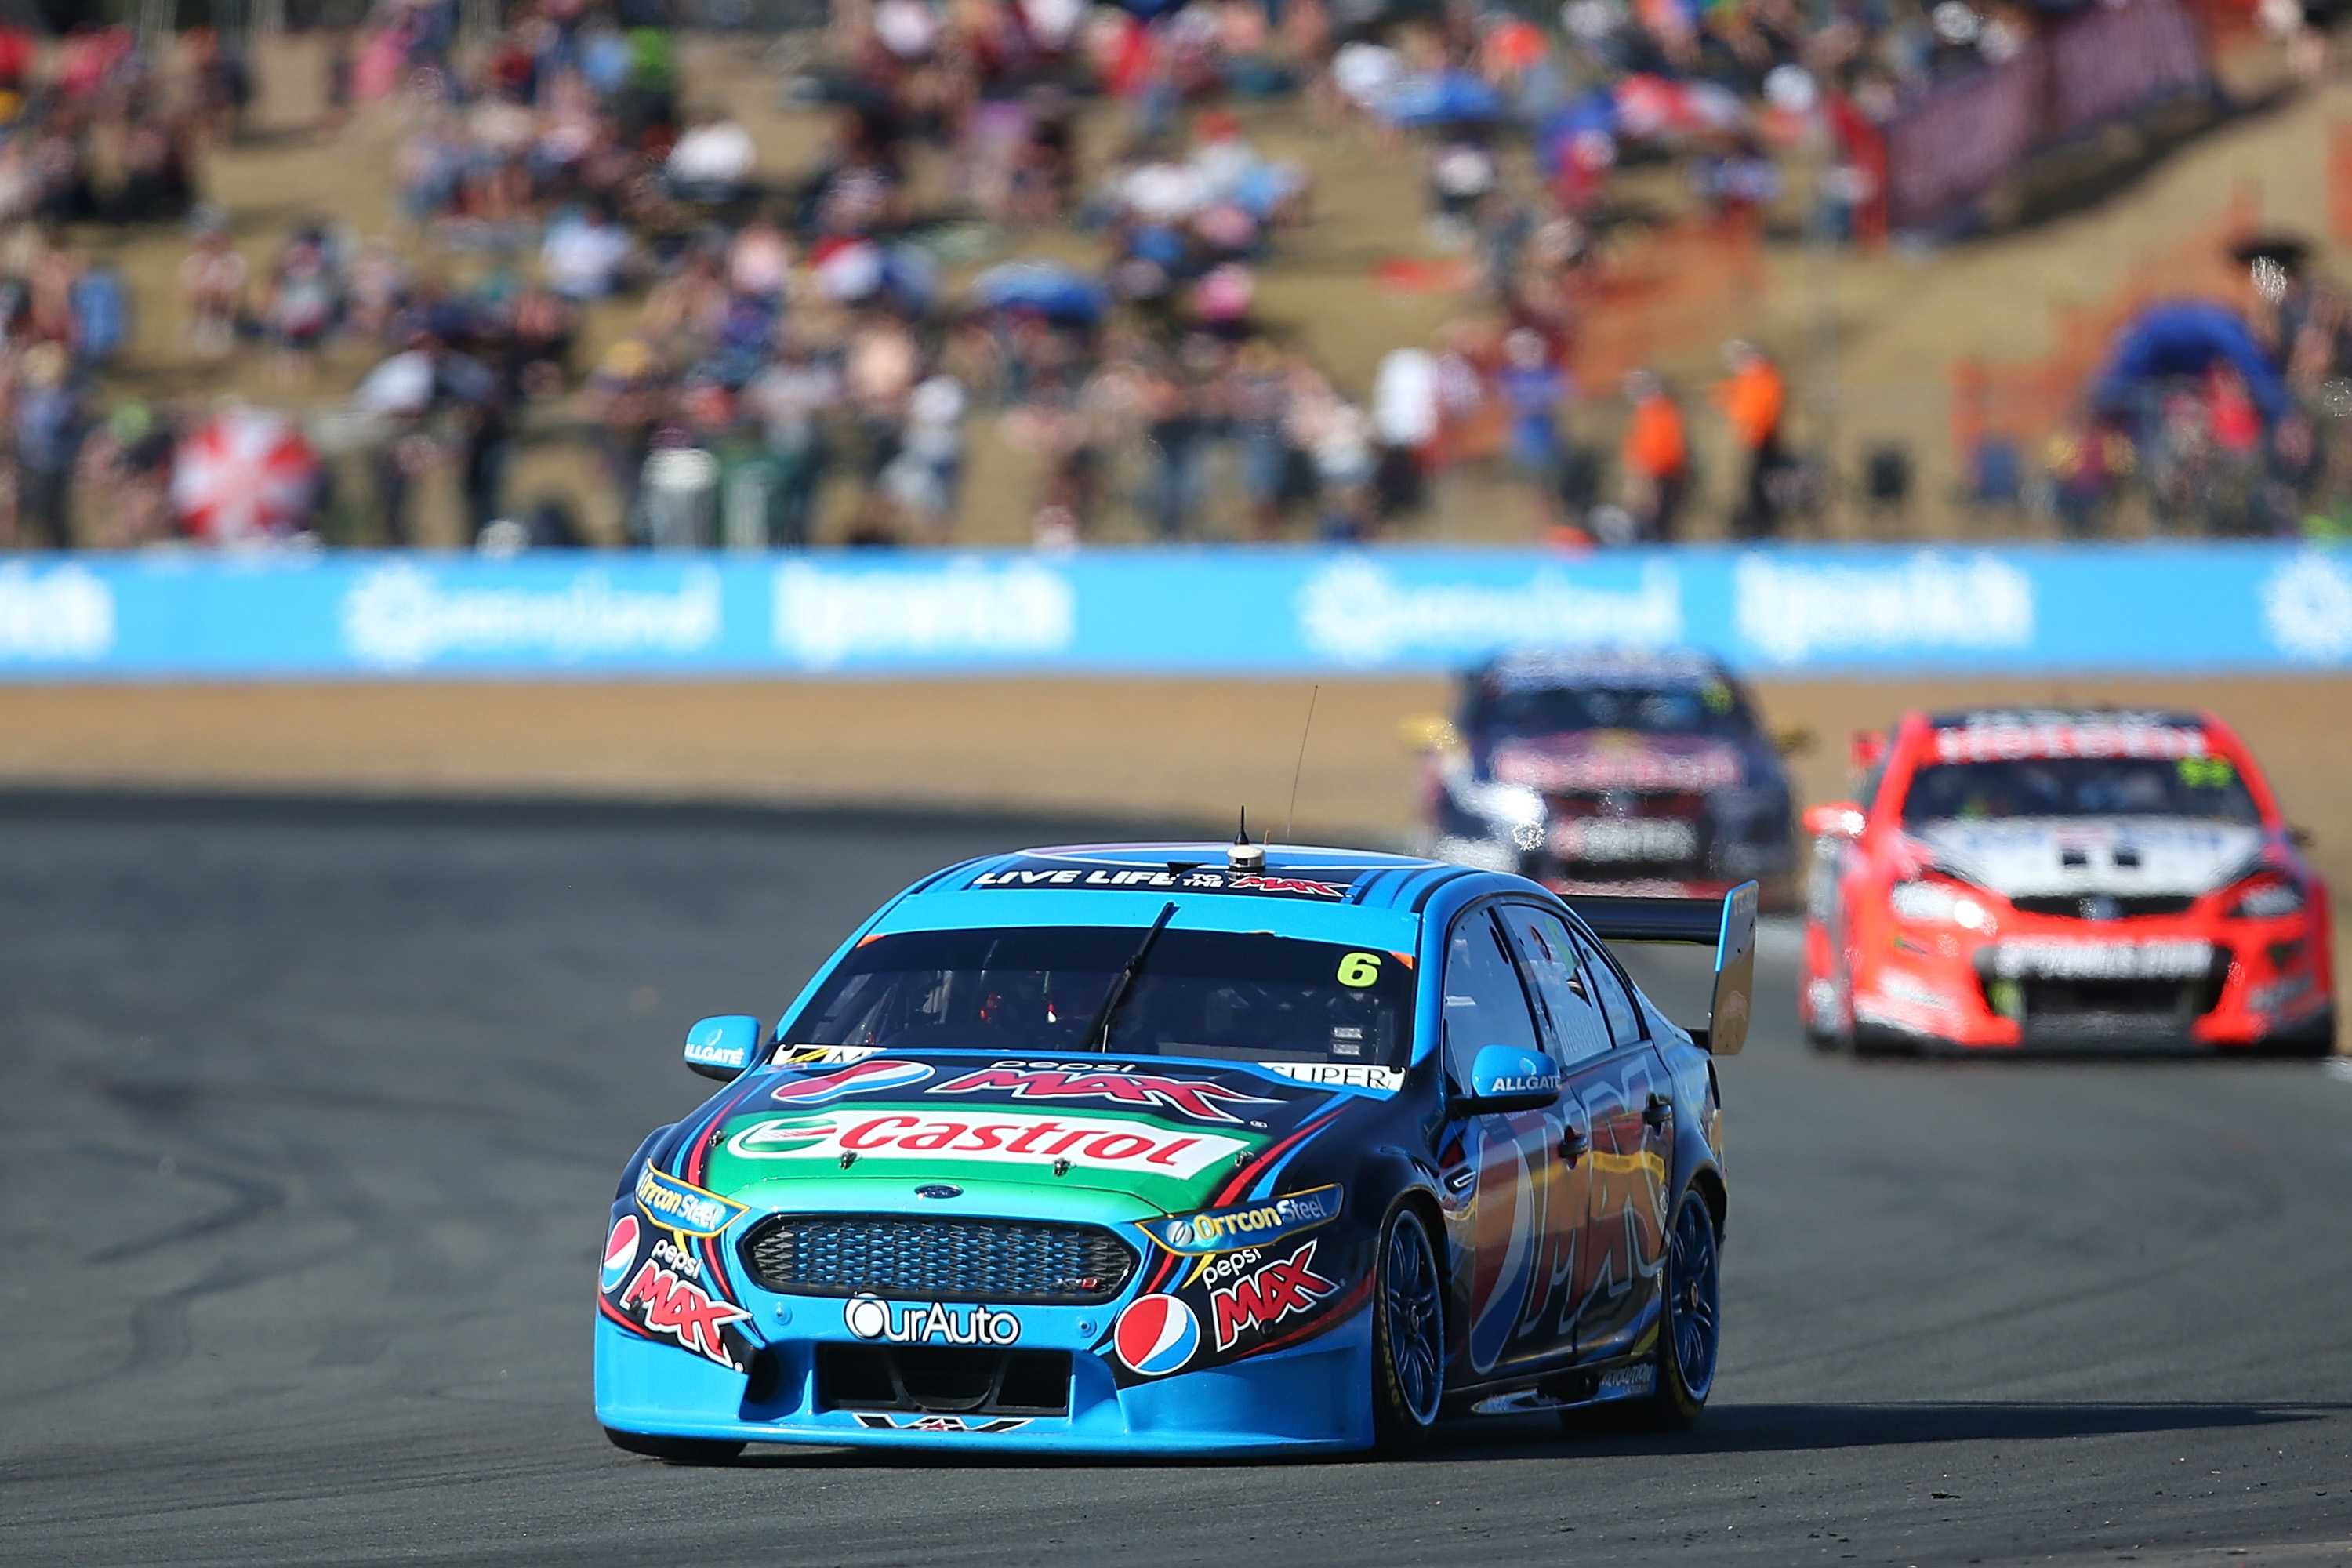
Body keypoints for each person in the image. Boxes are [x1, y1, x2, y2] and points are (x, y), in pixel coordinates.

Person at [1718, 339, 1787, 539]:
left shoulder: (1765, 379)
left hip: (1763, 440)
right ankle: (1754, 526)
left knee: (1760, 484)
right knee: (1752, 484)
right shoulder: (1749, 381)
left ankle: (1762, 526)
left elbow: (1764, 411)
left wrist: (1754, 429)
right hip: (1754, 440)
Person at [1619, 370, 1688, 542]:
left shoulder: (1661, 412)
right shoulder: (1647, 414)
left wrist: (1649, 478)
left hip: (1661, 475)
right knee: (1649, 520)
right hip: (1653, 475)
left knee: (1661, 521)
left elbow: (1665, 450)